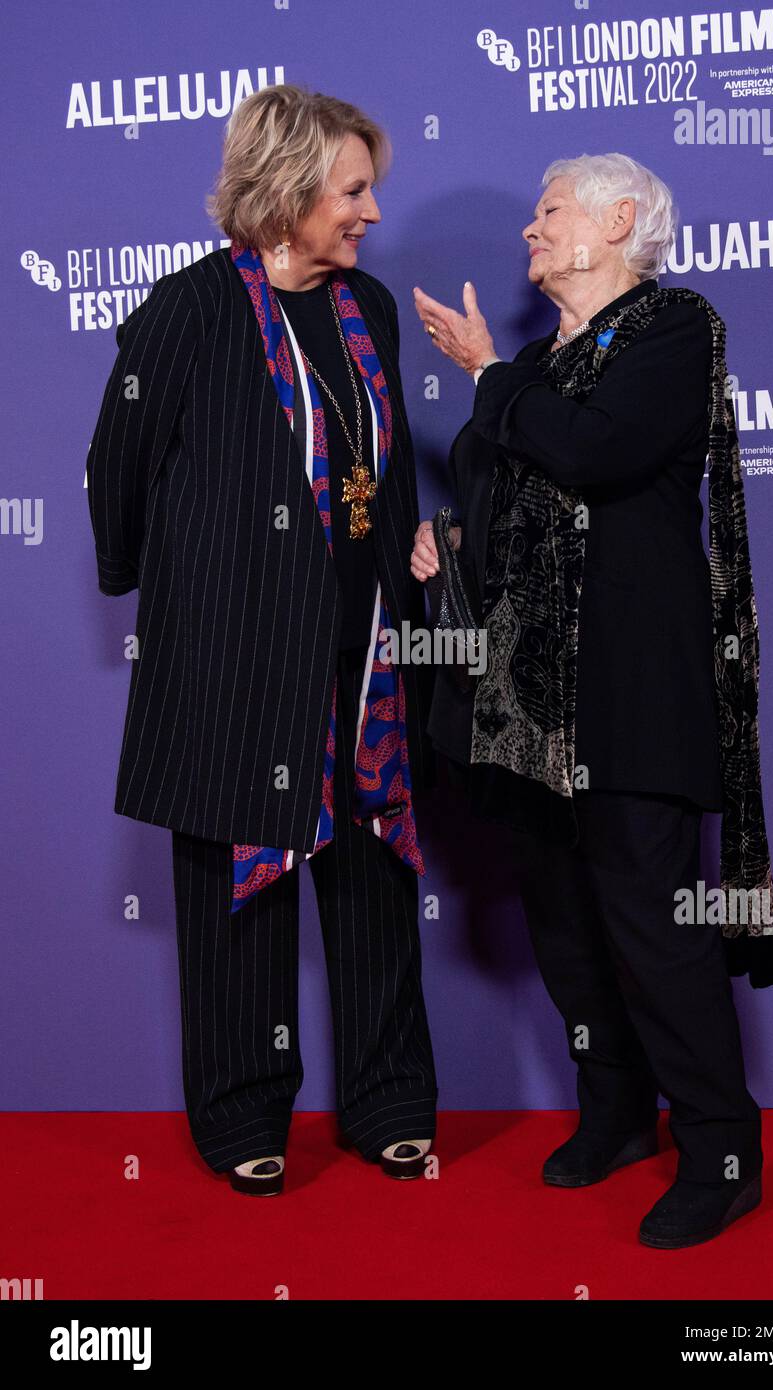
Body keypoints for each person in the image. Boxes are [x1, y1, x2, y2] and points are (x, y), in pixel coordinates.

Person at [410, 152, 773, 1248]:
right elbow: (497, 487)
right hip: (525, 709)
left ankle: (721, 1146)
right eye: (528, 213)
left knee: (654, 924)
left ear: (619, 221)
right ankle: (616, 1113)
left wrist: (487, 375)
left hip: (629, 695)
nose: (529, 232)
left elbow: (597, 451)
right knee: (566, 924)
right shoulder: (535, 364)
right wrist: (448, 539)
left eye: (548, 211)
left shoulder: (673, 328)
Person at [86, 84, 437, 1196]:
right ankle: (242, 1113)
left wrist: (403, 567)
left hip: (359, 653)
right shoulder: (186, 312)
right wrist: (197, 593)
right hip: (236, 660)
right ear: (285, 195)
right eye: (352, 189)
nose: (371, 212)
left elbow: (383, 466)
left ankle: (388, 1103)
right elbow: (117, 478)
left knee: (374, 879)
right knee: (239, 893)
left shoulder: (365, 310)